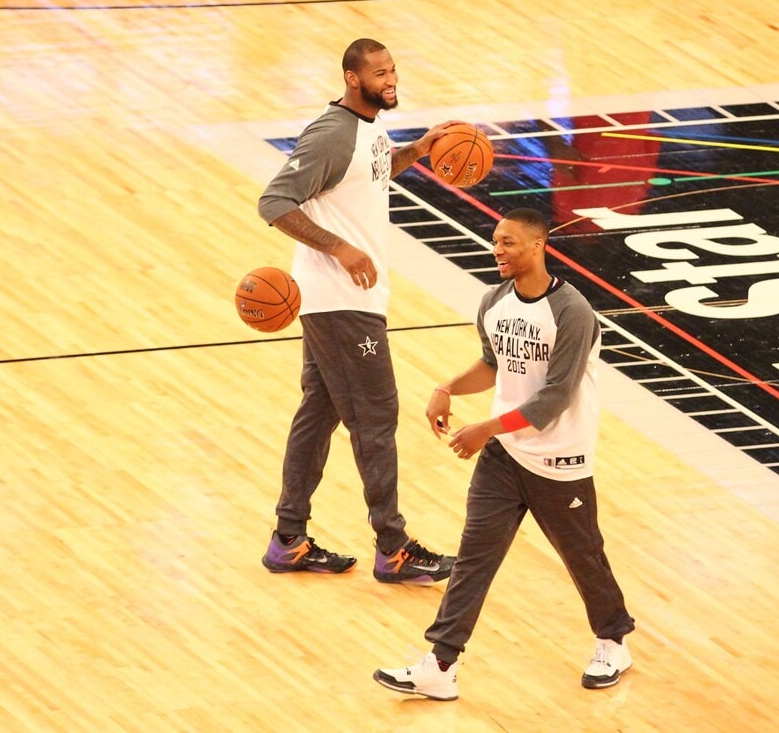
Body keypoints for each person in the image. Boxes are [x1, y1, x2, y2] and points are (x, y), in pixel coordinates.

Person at [373, 208, 636, 699]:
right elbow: (493, 364)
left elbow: (554, 398)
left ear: (538, 246)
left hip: (560, 459)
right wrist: (446, 388)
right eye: (496, 240)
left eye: (509, 242)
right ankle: (441, 665)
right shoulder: (494, 302)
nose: (497, 250)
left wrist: (484, 429)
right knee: (474, 557)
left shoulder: (572, 312)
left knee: (583, 556)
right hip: (505, 456)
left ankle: (613, 641)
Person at [256, 38, 457, 584]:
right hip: (341, 300)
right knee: (376, 416)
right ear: (352, 78)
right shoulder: (332, 133)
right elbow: (274, 202)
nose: (390, 80)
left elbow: (369, 173)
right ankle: (393, 548)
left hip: (345, 299)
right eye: (379, 73)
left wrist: (417, 151)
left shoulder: (367, 128)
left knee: (318, 414)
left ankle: (288, 540)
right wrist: (339, 248)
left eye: (393, 70)